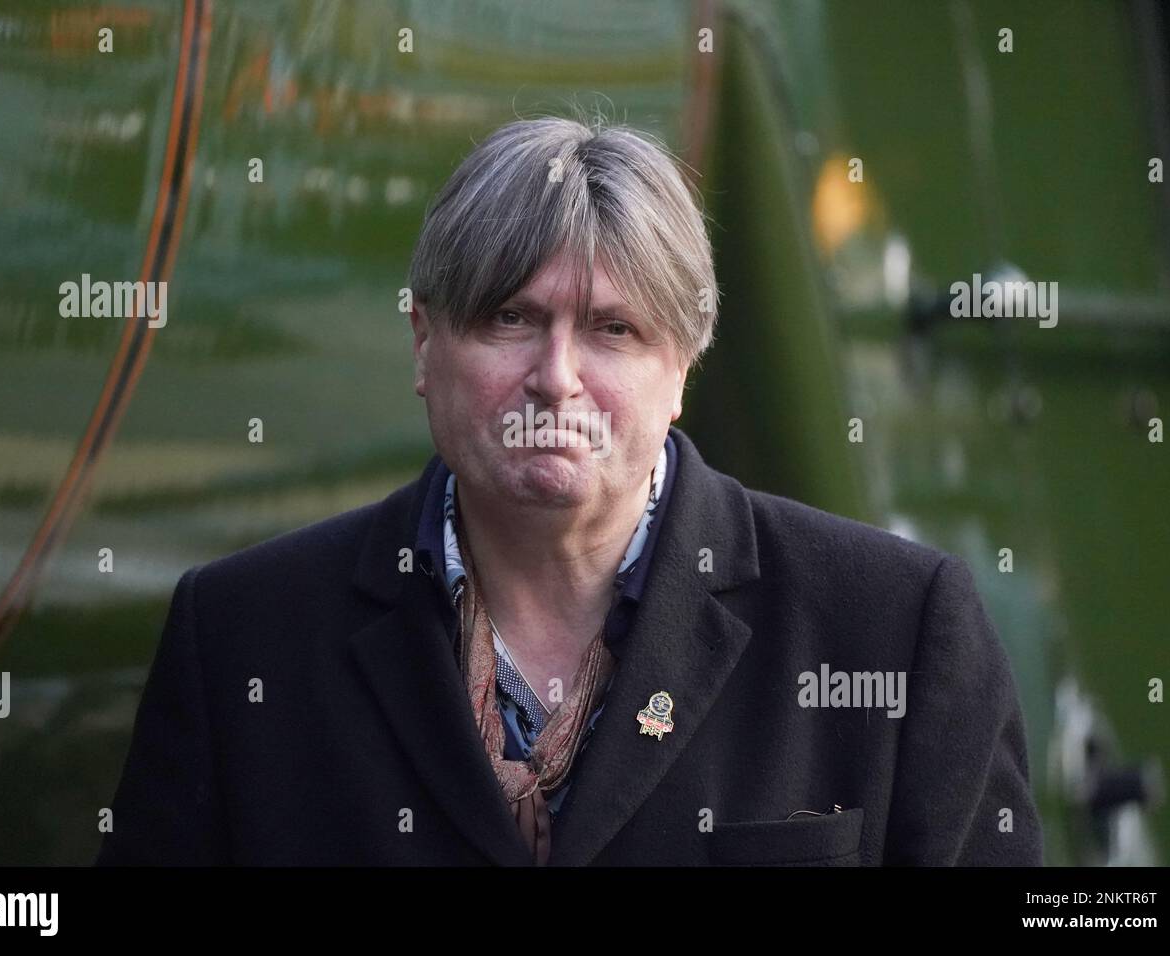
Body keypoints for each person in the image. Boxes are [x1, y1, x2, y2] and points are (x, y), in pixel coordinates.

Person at [96, 116, 1043, 866]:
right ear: (424, 343)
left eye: (614, 330)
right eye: (511, 317)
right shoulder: (239, 638)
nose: (557, 375)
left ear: (683, 365)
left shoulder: (894, 631)